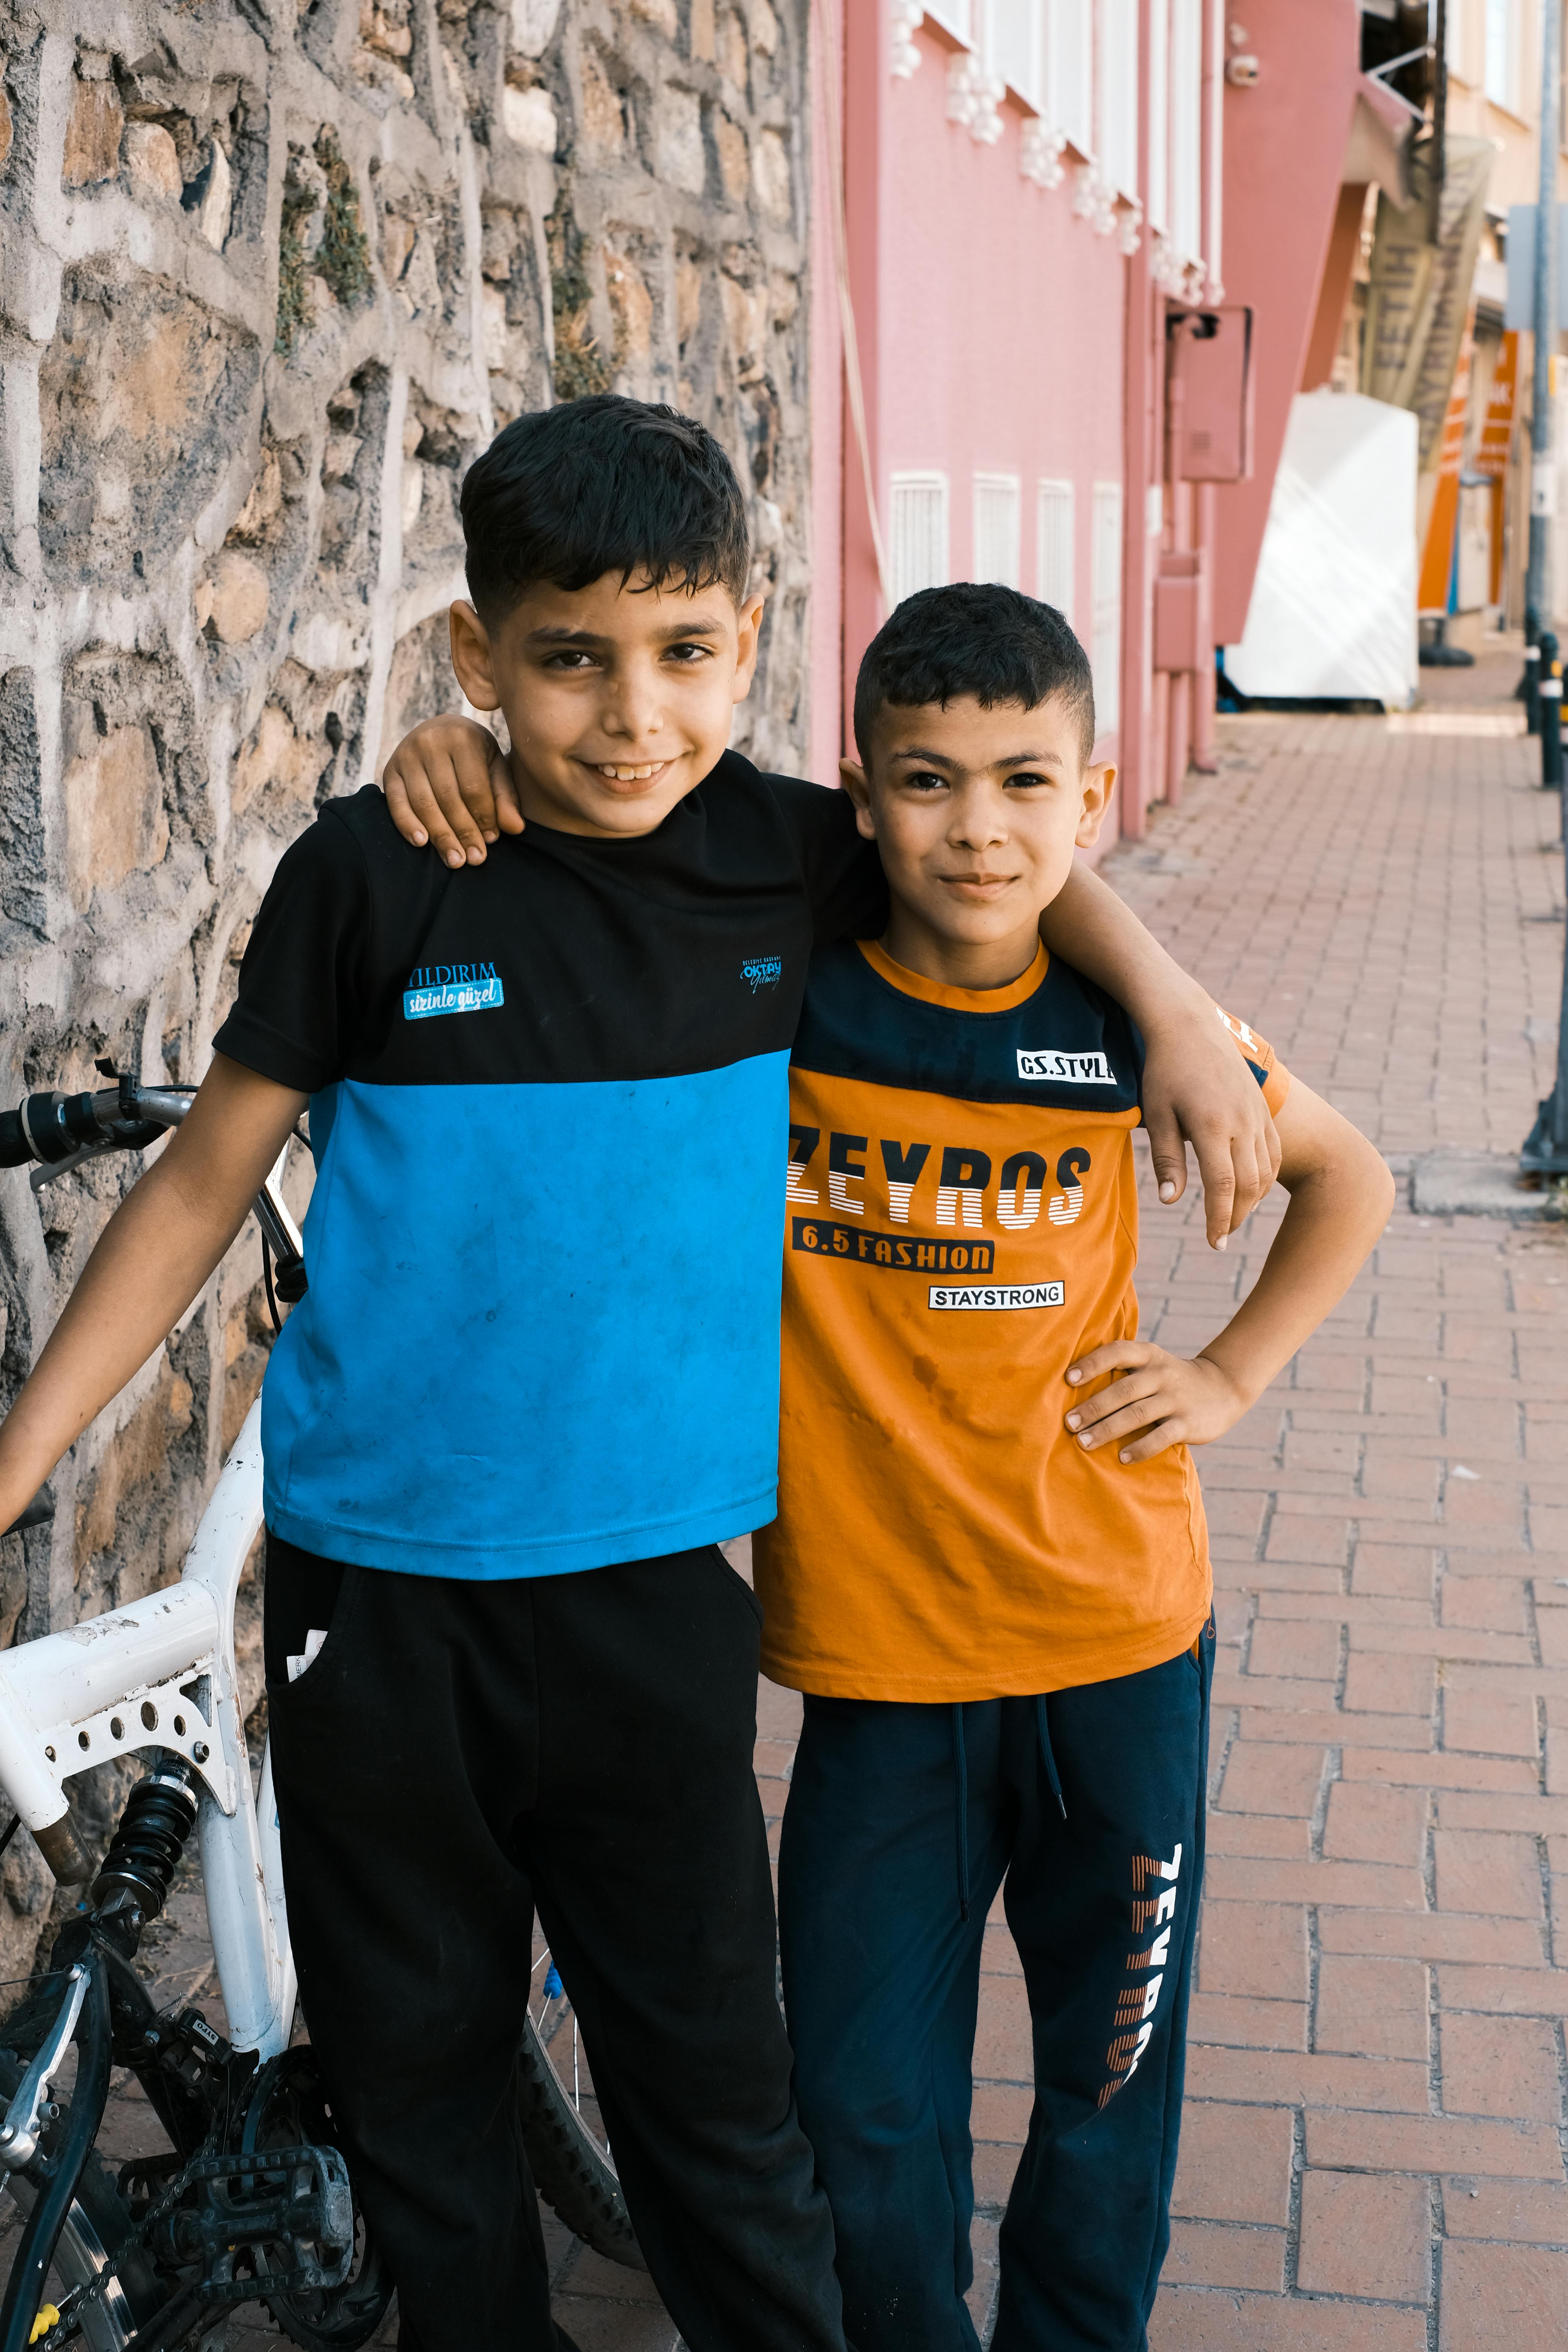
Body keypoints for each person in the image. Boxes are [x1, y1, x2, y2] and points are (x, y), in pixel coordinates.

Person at [0, 398, 1277, 2352]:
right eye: (568, 661)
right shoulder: (377, 870)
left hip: (653, 1596)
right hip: (373, 1597)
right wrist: (20, 1463)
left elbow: (996, 858)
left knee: (719, 2114)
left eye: (685, 654)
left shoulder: (784, 858)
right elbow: (196, 1188)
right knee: (423, 2101)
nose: (631, 716)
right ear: (477, 654)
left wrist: (1169, 1000)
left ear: (747, 640)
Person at [744, 582, 1392, 2352]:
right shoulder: (779, 1005)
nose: (978, 828)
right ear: (860, 795)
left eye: (1025, 783)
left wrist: (1226, 1376)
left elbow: (1347, 1177)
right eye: (927, 781)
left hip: (1111, 1643)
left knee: (1104, 2093)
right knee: (860, 2116)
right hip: (878, 1667)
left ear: (1088, 797)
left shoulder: (1121, 1032)